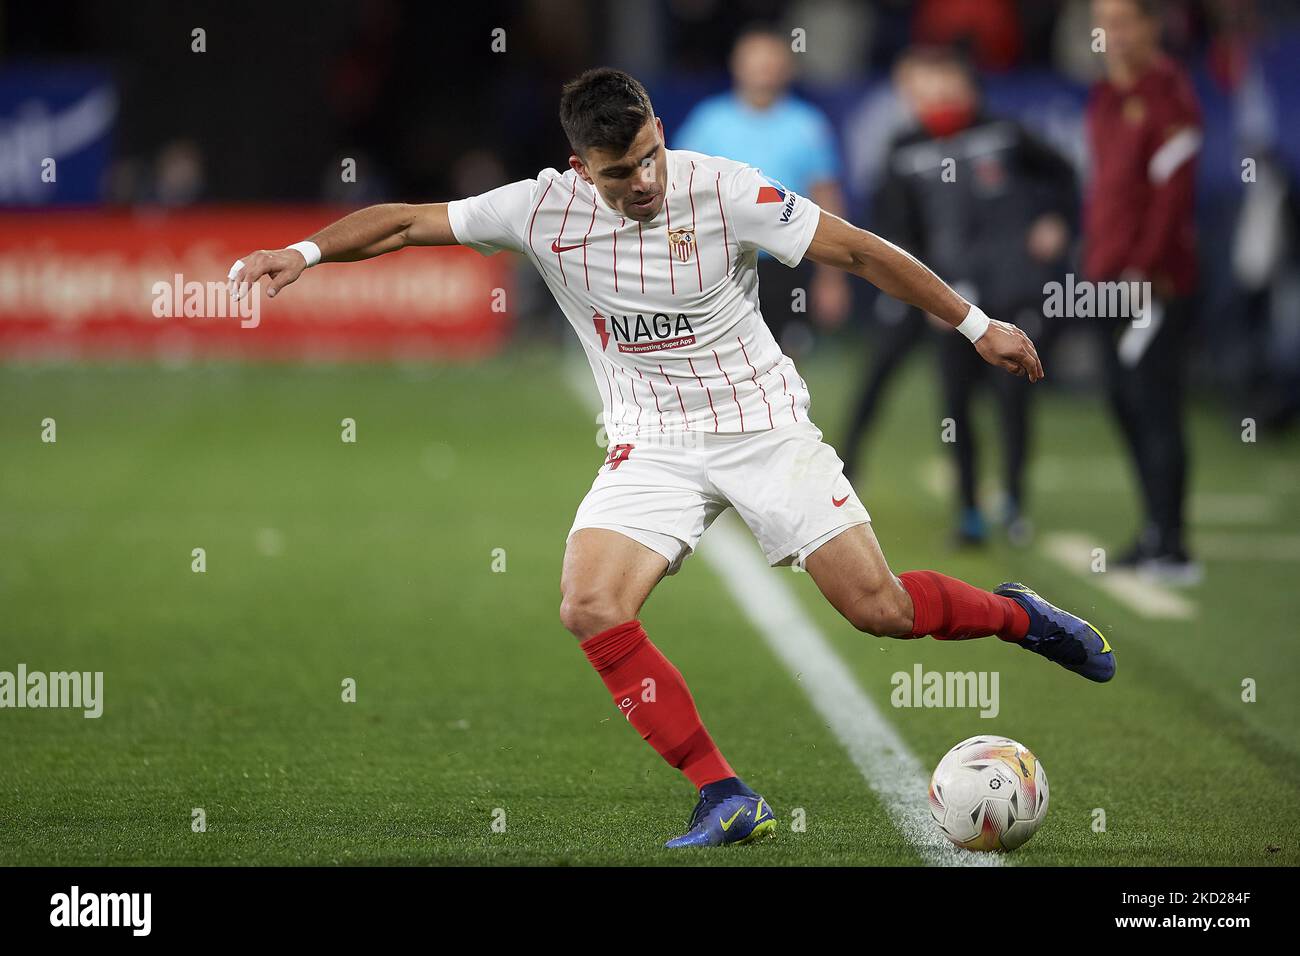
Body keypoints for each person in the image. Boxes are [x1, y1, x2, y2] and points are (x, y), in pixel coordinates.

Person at [228, 68, 1113, 850]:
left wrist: (976, 325)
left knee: (878, 611)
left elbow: (858, 250)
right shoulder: (538, 208)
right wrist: (301, 253)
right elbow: (405, 224)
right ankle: (725, 794)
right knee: (589, 602)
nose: (645, 180)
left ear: (660, 133)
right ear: (582, 169)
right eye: (621, 172)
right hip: (651, 443)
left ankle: (1015, 616)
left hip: (763, 426)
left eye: (651, 155)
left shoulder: (723, 188)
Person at [841, 47, 1078, 546]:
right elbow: (891, 230)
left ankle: (1013, 502)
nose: (941, 98)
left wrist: (1056, 223)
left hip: (1011, 292)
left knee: (1014, 400)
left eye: (950, 87)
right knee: (953, 407)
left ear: (971, 88)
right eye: (932, 89)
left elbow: (1064, 178)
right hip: (947, 301)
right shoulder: (906, 148)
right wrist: (922, 294)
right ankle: (968, 510)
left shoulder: (1005, 134)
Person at [1086, 0, 1202, 583]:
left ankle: (1173, 545)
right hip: (1107, 279)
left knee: (1153, 403)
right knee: (1123, 401)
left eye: (1125, 21)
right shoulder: (1105, 95)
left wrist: (1142, 270)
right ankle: (1155, 531)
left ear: (1153, 27)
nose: (1112, 33)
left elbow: (1171, 197)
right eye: (1103, 20)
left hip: (1152, 284)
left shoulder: (1169, 96)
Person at [675, 24, 851, 354]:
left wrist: (832, 279)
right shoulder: (709, 121)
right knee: (723, 357)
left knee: (787, 357)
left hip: (787, 259)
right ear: (737, 64)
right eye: (754, 60)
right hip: (723, 261)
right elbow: (679, 190)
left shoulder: (807, 125)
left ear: (788, 67)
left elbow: (827, 198)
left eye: (771, 61)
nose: (763, 70)